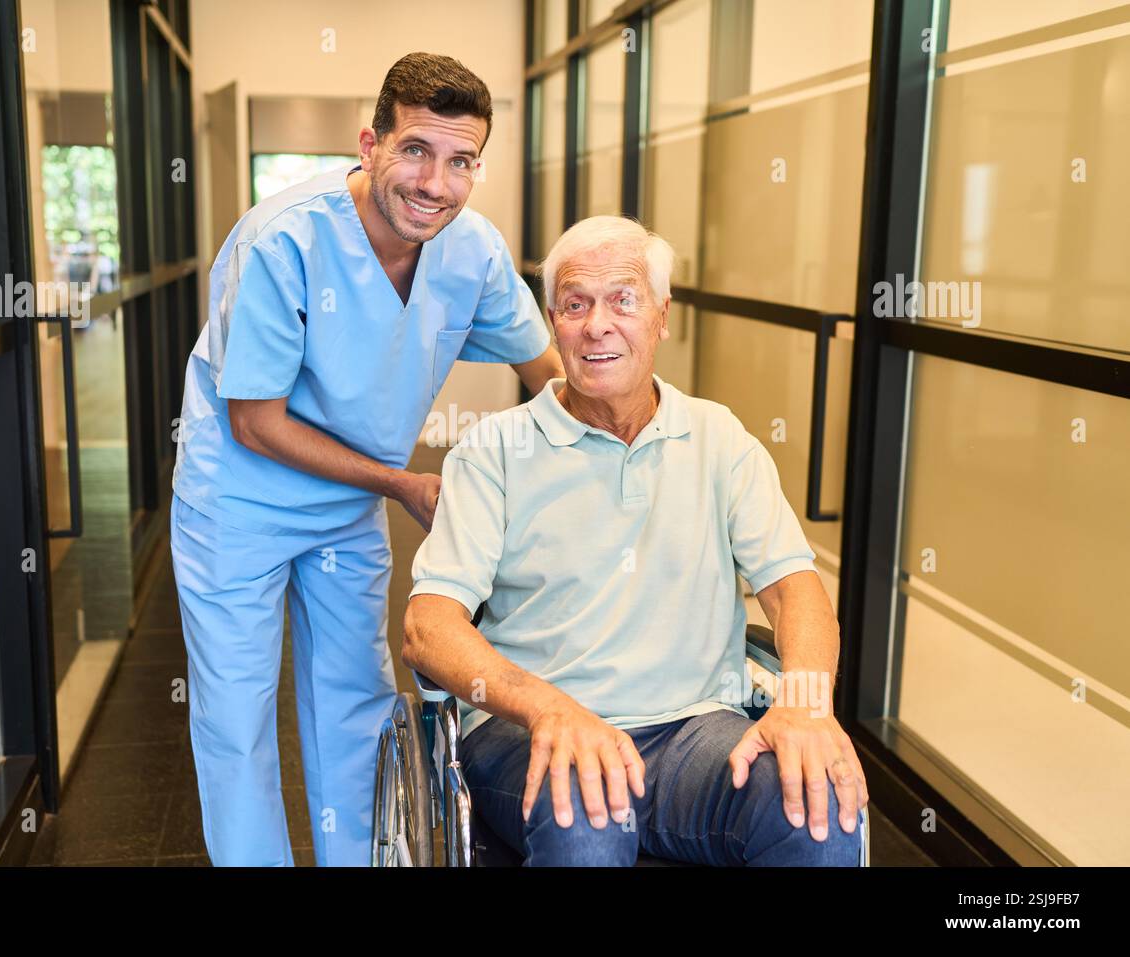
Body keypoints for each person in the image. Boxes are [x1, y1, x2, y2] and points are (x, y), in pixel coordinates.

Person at [170, 52, 564, 866]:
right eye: (415, 149)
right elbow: (255, 423)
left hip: (344, 509)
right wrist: (401, 483)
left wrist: (615, 450)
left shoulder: (473, 253)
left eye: (461, 162)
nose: (435, 183)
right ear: (370, 143)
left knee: (355, 704)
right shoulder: (283, 241)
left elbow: (548, 371)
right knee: (236, 718)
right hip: (238, 500)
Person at [404, 216, 867, 866]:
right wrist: (546, 708)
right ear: (553, 321)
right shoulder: (494, 451)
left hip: (697, 733)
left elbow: (795, 591)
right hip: (535, 731)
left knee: (813, 803)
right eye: (575, 303)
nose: (597, 324)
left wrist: (806, 704)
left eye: (623, 298)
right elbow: (429, 625)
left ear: (661, 315)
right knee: (589, 817)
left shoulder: (719, 438)